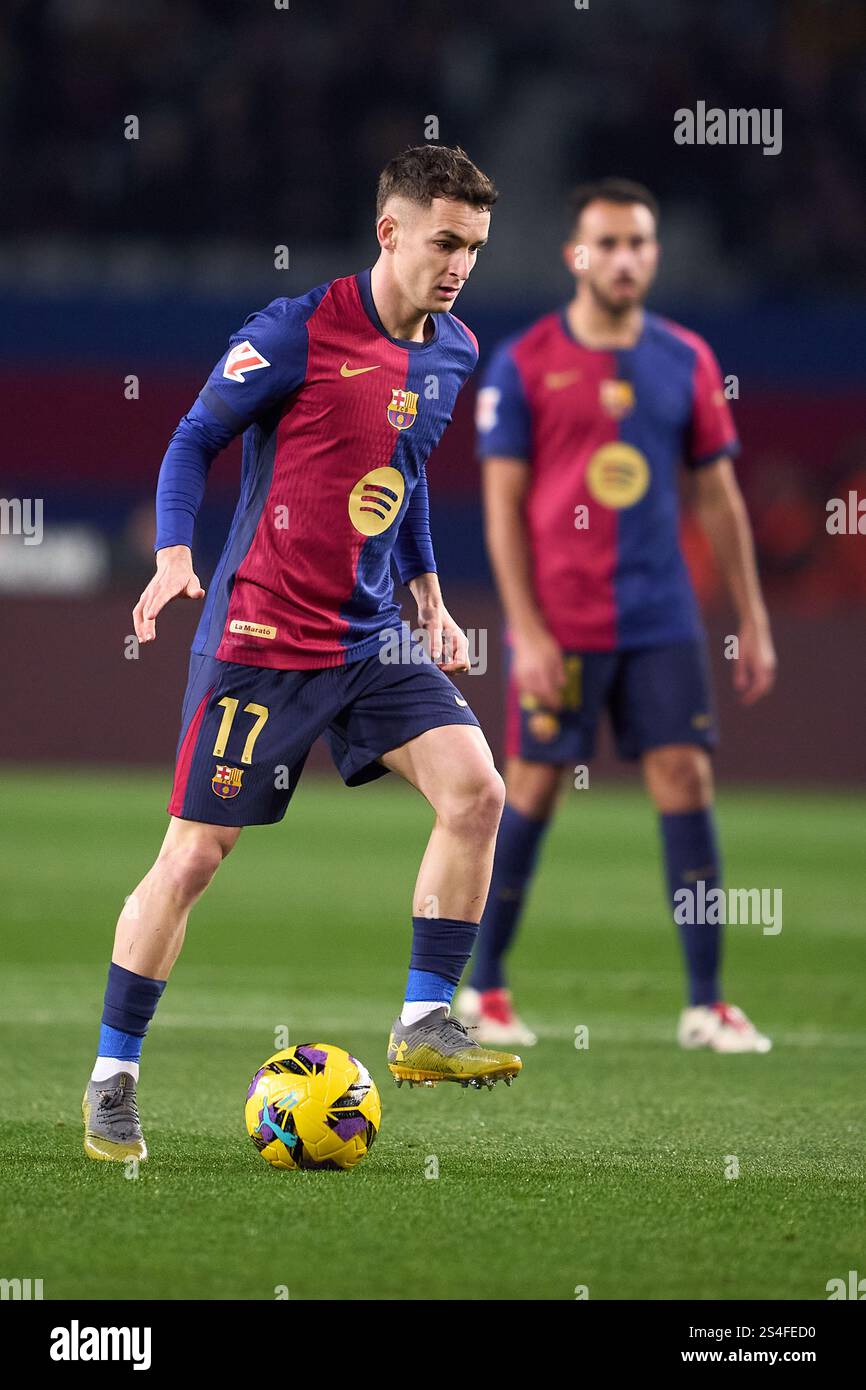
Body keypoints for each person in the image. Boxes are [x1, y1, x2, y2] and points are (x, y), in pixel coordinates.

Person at [83, 145, 523, 1164]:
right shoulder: (297, 330)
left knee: (477, 793)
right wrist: (173, 555)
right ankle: (113, 1076)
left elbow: (399, 478)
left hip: (370, 638)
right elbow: (192, 439)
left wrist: (427, 588)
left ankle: (421, 1022)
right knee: (192, 857)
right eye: (445, 240)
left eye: (475, 247)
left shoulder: (451, 352)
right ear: (391, 231)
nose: (459, 263)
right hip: (261, 636)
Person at [457, 178, 777, 1053]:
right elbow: (502, 509)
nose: (624, 257)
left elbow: (719, 499)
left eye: (639, 242)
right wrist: (523, 630)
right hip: (561, 622)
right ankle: (484, 993)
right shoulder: (523, 363)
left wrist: (750, 615)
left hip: (662, 617)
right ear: (576, 255)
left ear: (654, 253)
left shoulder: (688, 360)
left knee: (687, 780)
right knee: (532, 786)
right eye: (608, 242)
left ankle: (707, 1003)